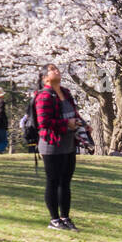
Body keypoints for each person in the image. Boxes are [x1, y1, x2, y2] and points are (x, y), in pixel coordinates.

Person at [34, 63, 83, 231]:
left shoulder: (66, 93)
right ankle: (54, 219)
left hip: (68, 143)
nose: (56, 71)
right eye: (52, 69)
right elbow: (44, 122)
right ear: (45, 78)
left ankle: (65, 217)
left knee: (66, 182)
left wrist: (79, 123)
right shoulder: (44, 96)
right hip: (52, 145)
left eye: (57, 68)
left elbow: (74, 113)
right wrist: (66, 124)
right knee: (53, 181)